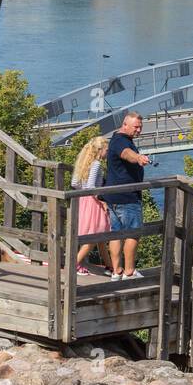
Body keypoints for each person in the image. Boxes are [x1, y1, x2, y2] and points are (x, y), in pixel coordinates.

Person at [102, 111, 149, 281]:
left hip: (113, 196)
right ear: (125, 125)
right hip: (127, 196)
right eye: (136, 127)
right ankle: (129, 272)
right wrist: (138, 158)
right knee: (133, 233)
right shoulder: (121, 141)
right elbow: (127, 154)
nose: (139, 130)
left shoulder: (115, 139)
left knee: (116, 233)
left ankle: (117, 271)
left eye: (140, 127)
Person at [70, 134, 112, 276]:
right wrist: (102, 200)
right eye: (107, 150)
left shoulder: (84, 163)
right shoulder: (97, 164)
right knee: (95, 234)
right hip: (94, 202)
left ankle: (109, 266)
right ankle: (74, 264)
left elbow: (75, 183)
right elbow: (91, 186)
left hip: (84, 201)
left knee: (100, 236)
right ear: (100, 150)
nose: (108, 153)